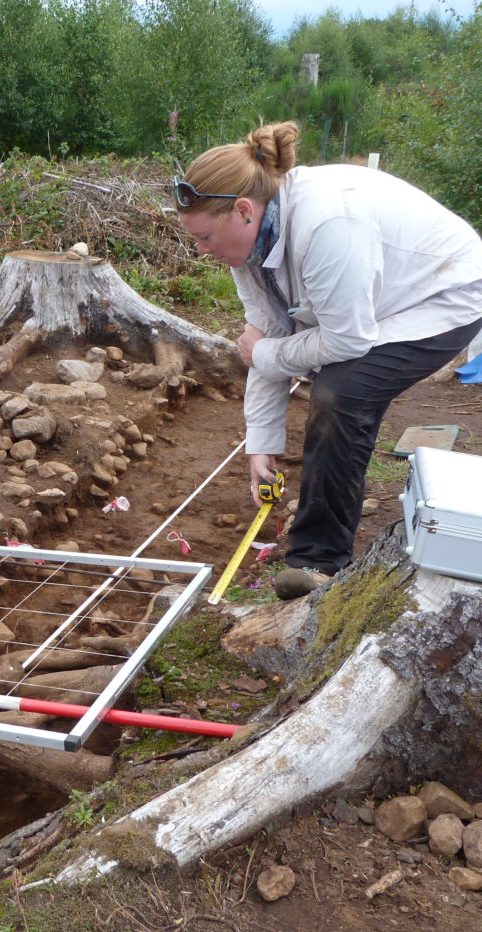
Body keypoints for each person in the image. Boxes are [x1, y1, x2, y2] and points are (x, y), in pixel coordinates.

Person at [174, 121, 482, 599]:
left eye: (206, 236)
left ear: (242, 210)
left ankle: (320, 564)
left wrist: (266, 352)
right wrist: (262, 444)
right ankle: (321, 543)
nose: (201, 250)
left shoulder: (327, 222)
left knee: (343, 393)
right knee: (329, 377)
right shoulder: (250, 246)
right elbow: (267, 338)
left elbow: (344, 340)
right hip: (377, 296)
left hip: (446, 293)